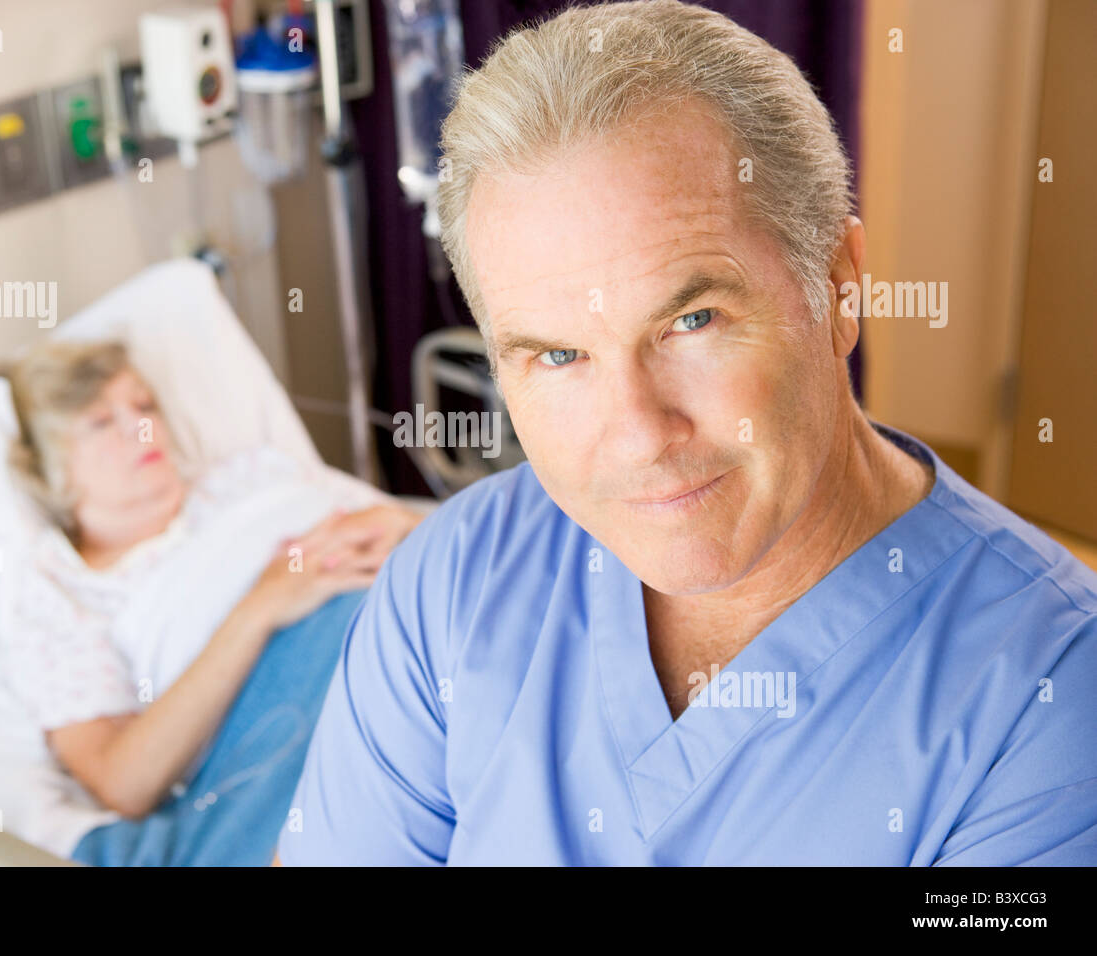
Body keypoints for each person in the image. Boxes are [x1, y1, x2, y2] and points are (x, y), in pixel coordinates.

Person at [275, 0, 1097, 865]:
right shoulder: (449, 588)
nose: (637, 434)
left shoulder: (1049, 708)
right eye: (558, 355)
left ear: (841, 286)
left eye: (692, 320)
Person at [0, 339, 423, 863]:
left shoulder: (256, 475)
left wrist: (403, 522)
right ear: (46, 465)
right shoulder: (62, 588)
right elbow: (123, 783)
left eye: (145, 406)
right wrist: (261, 607)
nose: (140, 428)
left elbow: (432, 536)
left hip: (410, 617)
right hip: (307, 694)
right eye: (101, 422)